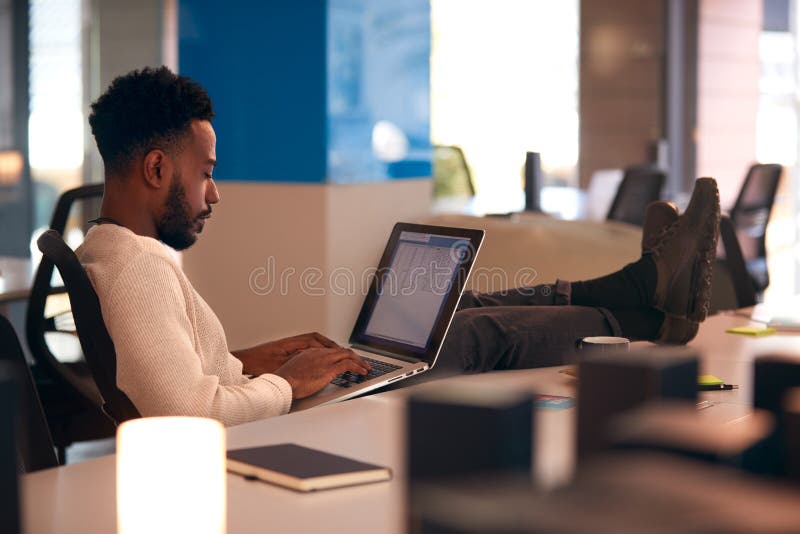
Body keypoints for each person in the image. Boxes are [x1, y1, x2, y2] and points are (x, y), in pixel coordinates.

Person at [78, 67, 720, 426]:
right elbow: (189, 414)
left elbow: (185, 372)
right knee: (475, 336)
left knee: (457, 312)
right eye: (207, 171)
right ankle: (642, 310)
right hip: (271, 431)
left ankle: (638, 290)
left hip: (270, 404)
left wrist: (262, 357)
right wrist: (285, 382)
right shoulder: (136, 270)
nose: (214, 193)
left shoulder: (117, 253)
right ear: (159, 170)